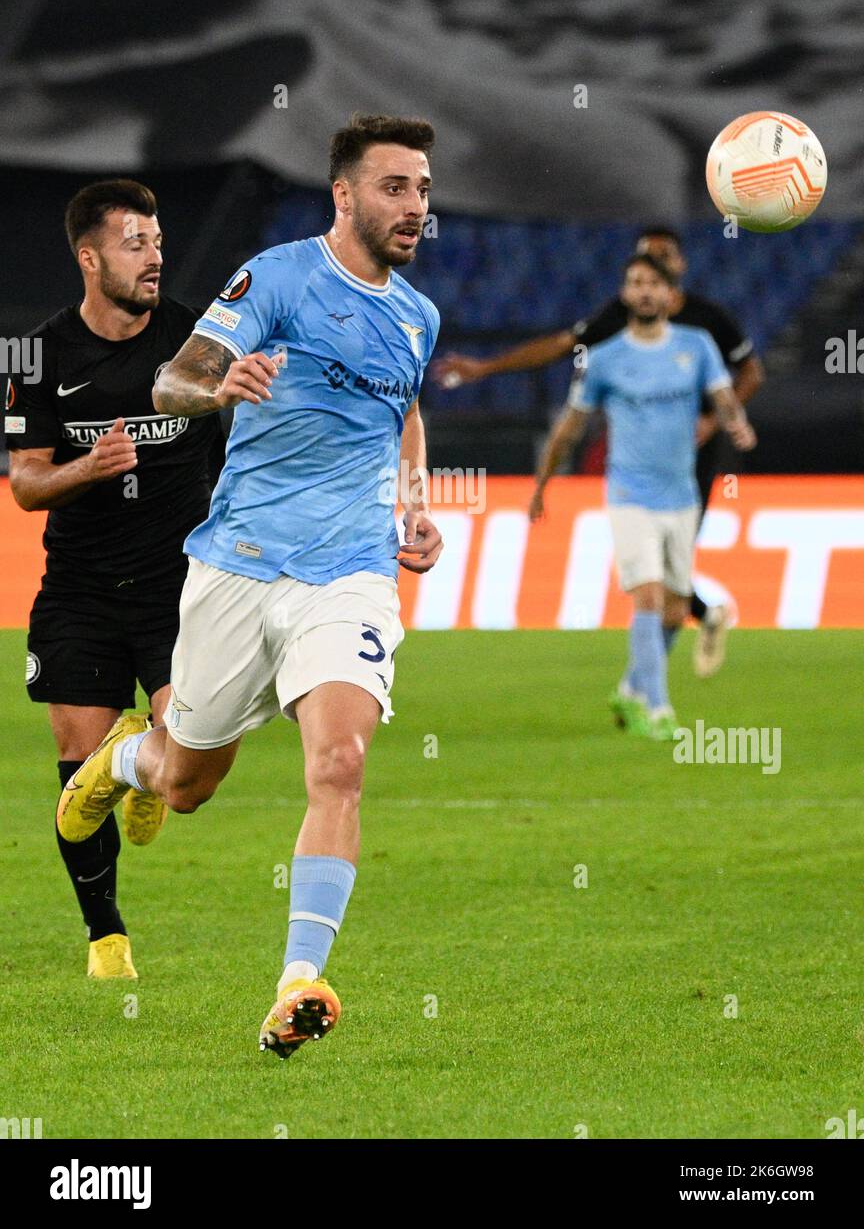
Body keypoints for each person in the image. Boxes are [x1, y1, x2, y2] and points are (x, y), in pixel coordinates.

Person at [57, 114, 444, 1057]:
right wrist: (219, 389)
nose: (415, 208)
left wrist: (415, 506)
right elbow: (171, 383)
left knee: (339, 763)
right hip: (237, 563)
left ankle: (298, 980)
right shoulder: (276, 276)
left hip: (348, 572)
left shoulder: (419, 317)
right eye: (394, 187)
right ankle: (122, 763)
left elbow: (403, 410)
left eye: (424, 189)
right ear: (344, 194)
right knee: (187, 783)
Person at [6, 179, 220, 978]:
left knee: (191, 770)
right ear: (89, 257)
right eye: (137, 243)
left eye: (159, 240)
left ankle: (143, 766)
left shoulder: (199, 336)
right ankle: (107, 939)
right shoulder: (32, 353)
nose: (156, 255)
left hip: (182, 590)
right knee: (73, 763)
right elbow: (25, 484)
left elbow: (237, 443)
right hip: (82, 593)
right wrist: (89, 467)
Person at [435, 227, 764, 674]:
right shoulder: (618, 320)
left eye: (662, 258)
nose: (652, 270)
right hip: (635, 469)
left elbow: (750, 373)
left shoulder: (709, 322)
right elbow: (560, 345)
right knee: (659, 583)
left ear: (679, 268)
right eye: (644, 261)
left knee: (670, 584)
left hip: (692, 460)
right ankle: (656, 676)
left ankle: (656, 669)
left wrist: (716, 421)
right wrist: (487, 368)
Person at [528, 253, 756, 740]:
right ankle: (657, 709)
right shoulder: (606, 358)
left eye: (654, 283)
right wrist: (543, 484)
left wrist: (735, 422)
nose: (645, 290)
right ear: (626, 293)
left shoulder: (696, 347)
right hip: (629, 493)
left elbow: (722, 395)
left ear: (670, 295)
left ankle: (631, 689)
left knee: (675, 611)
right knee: (648, 595)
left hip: (682, 495)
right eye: (635, 282)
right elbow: (571, 427)